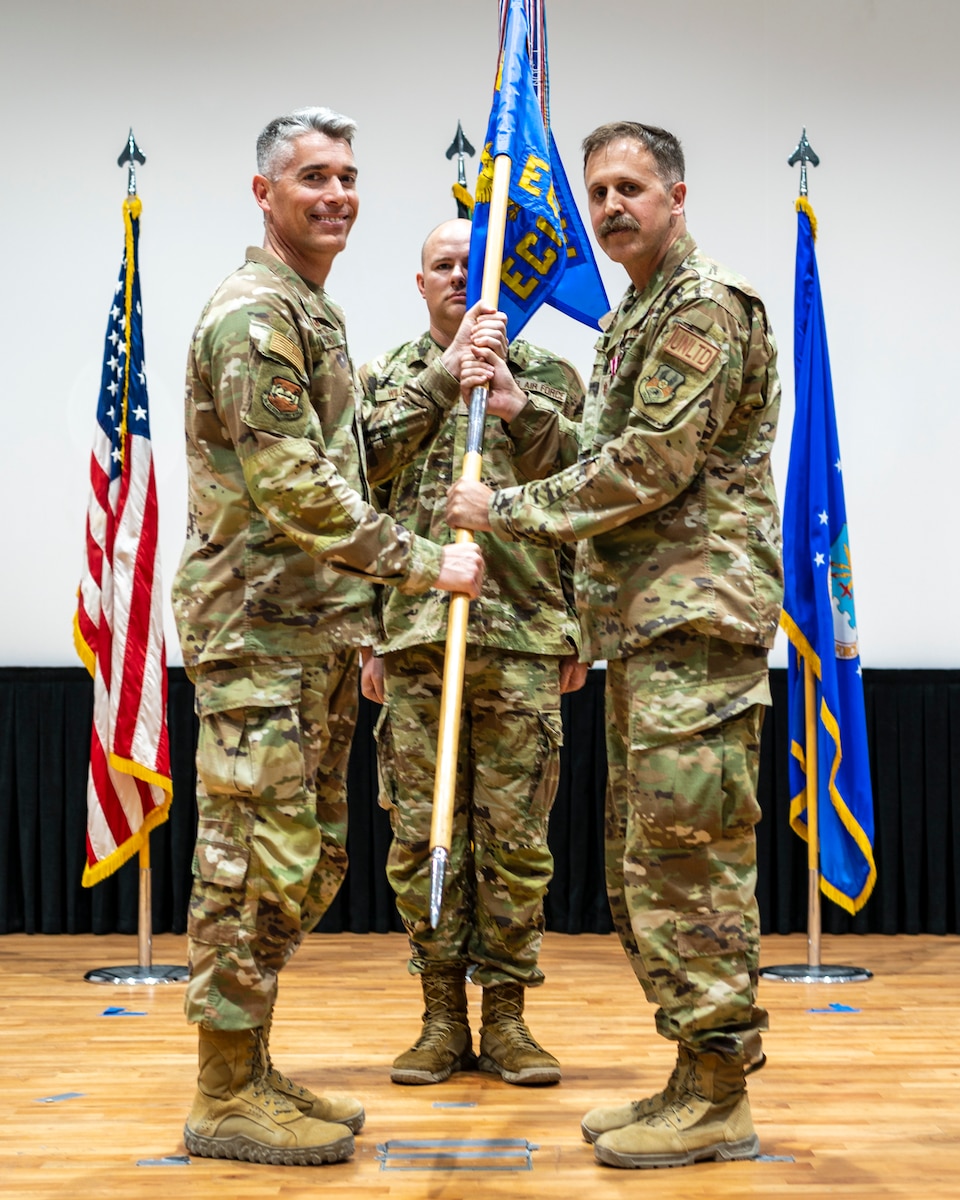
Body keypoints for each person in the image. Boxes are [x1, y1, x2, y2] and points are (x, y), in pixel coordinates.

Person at [445, 122, 782, 1168]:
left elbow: (648, 466)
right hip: (646, 626)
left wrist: (503, 504)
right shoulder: (637, 313)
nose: (608, 208)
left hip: (697, 624)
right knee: (646, 866)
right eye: (597, 191)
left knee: (694, 862)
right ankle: (690, 1074)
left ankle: (722, 1089)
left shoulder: (705, 306)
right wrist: (522, 414)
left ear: (677, 196)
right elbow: (600, 451)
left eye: (630, 187)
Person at [171, 108, 484, 1168]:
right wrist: (420, 562)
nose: (338, 194)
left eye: (348, 175)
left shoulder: (313, 312)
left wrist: (447, 375)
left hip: (307, 634)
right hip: (259, 631)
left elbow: (350, 458)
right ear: (265, 193)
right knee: (250, 858)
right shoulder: (255, 317)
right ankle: (221, 1092)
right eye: (314, 177)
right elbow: (296, 488)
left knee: (300, 860)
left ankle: (251, 1064)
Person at [357, 217, 587, 1088]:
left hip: (525, 638)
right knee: (422, 838)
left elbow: (588, 492)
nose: (459, 277)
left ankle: (511, 1020)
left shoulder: (553, 379)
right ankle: (441, 1017)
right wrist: (367, 635)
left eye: (471, 263)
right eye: (442, 265)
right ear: (420, 283)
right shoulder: (385, 378)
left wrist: (581, 626)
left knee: (518, 841)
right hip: (417, 638)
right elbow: (352, 493)